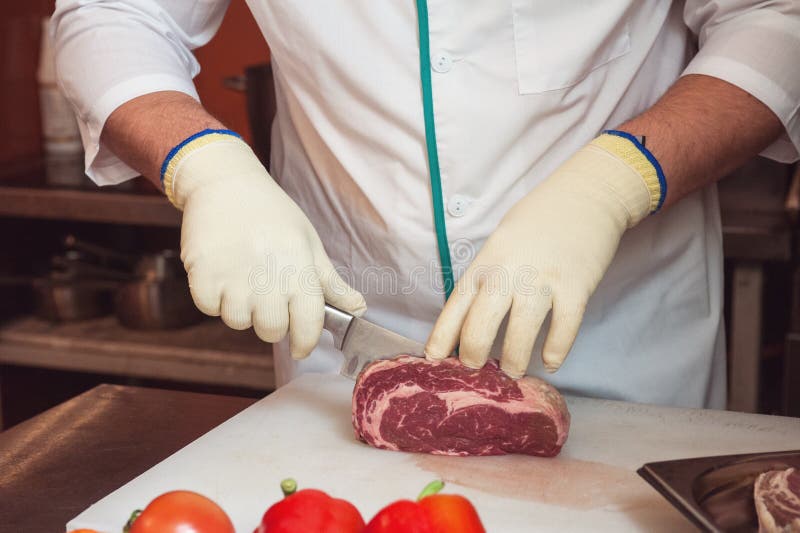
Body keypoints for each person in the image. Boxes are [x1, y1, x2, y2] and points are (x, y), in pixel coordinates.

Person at [52, 1, 799, 408]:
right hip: (347, 340)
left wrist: (616, 181)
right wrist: (203, 163)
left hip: (621, 336)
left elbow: (775, 19)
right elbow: (113, 15)